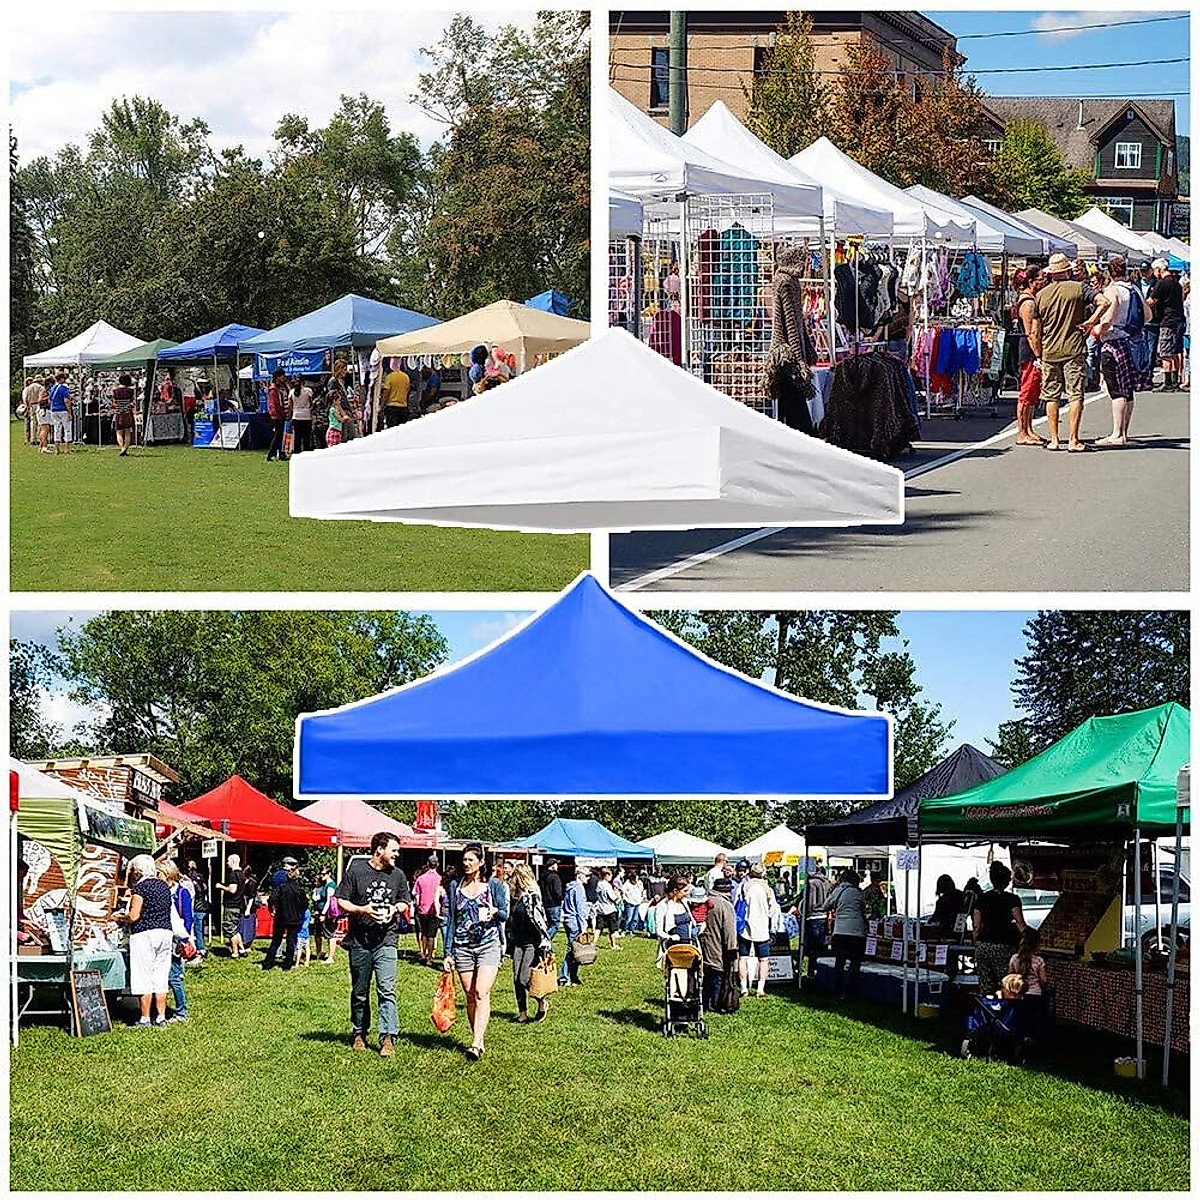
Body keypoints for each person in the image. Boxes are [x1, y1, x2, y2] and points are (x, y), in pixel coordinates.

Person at [336, 832, 414, 1056]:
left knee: (387, 989)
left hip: (386, 939)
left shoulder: (397, 875)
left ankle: (388, 1037)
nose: (397, 854)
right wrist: (363, 910)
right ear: (379, 850)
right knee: (360, 991)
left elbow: (404, 901)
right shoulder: (356, 871)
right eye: (394, 850)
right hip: (360, 941)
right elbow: (341, 900)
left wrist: (394, 909)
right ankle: (359, 1033)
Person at [1030, 252, 1110, 452]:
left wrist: (1038, 353)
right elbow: (1104, 302)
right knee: (1075, 395)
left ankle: (1054, 439)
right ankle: (1073, 439)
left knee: (1051, 395)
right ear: (1067, 270)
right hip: (1073, 349)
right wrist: (1091, 321)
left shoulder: (1041, 295)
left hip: (1049, 350)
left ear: (1051, 273)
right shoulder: (1079, 288)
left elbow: (1035, 329)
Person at [440, 843, 510, 1060]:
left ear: (481, 862)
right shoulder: (455, 885)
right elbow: (451, 920)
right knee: (470, 995)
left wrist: (495, 911)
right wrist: (448, 953)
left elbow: (505, 914)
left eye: (471, 859)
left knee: (481, 991)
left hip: (488, 944)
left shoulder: (494, 885)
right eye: (464, 859)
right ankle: (477, 1037)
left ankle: (476, 1043)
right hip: (462, 946)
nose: (466, 863)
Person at [1091, 256, 1147, 447]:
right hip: (1131, 341)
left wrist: (1097, 329)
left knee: (1116, 389)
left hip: (1113, 342)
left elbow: (1108, 318)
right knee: (1128, 390)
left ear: (1110, 272)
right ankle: (1124, 432)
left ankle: (1117, 434)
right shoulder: (1135, 289)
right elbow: (1148, 315)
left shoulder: (1112, 290)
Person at [125, 854, 173, 1026]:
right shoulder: (164, 886)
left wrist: (121, 917)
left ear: (137, 872)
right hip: (165, 932)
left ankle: (145, 1018)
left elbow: (134, 915)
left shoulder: (140, 888)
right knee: (160, 976)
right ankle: (161, 1016)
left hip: (144, 933)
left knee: (142, 975)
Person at [971, 860, 1026, 998]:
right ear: (1007, 881)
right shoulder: (1012, 899)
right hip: (1004, 945)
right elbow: (1020, 922)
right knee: (1006, 982)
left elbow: (976, 925)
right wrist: (1026, 939)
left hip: (983, 945)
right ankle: (1005, 1007)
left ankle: (987, 1007)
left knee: (986, 984)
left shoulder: (981, 899)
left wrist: (977, 942)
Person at [507, 862, 553, 1024]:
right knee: (516, 979)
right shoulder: (514, 897)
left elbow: (540, 921)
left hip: (531, 943)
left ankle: (541, 1001)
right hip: (517, 942)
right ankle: (522, 1012)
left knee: (524, 978)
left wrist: (545, 941)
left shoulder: (532, 896)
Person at [1012, 267, 1047, 446]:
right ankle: (1022, 432)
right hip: (1028, 351)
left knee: (1033, 392)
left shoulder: (1033, 299)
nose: (1044, 281)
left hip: (1033, 350)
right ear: (1032, 281)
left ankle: (1029, 429)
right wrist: (1038, 355)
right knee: (1026, 392)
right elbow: (1030, 333)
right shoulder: (1028, 303)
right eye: (1041, 278)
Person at [156, 860, 194, 1023]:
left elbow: (188, 917)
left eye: (159, 873)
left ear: (167, 874)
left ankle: (181, 1012)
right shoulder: (159, 891)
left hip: (176, 938)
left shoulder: (182, 892)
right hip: (161, 936)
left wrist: (183, 940)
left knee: (174, 976)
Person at [825, 868, 869, 1000]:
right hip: (857, 932)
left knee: (840, 962)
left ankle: (838, 991)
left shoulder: (837, 891)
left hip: (840, 931)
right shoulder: (859, 893)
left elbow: (825, 906)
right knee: (855, 963)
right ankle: (852, 990)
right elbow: (863, 911)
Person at [737, 863, 777, 998]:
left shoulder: (744, 887)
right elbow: (773, 910)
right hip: (762, 927)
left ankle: (743, 988)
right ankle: (760, 989)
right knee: (763, 960)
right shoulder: (767, 889)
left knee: (742, 958)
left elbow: (737, 903)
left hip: (745, 927)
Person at [700, 876, 739, 1012]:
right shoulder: (725, 905)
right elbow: (729, 930)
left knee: (706, 975)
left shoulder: (704, 901)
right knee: (718, 974)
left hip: (703, 943)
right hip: (718, 946)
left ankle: (703, 1001)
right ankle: (715, 1003)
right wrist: (732, 950)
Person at [263, 856, 309, 971]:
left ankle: (268, 963)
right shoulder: (300, 891)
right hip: (294, 918)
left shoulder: (281, 888)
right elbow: (305, 905)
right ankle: (288, 964)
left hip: (281, 917)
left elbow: (271, 899)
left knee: (276, 941)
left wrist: (274, 908)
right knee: (291, 941)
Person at [1148, 259, 1186, 392]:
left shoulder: (1162, 283)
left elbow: (1151, 301)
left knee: (1165, 352)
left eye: (1155, 270)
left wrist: (1141, 306)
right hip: (1178, 319)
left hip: (1168, 320)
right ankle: (1175, 381)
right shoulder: (1176, 283)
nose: (1154, 274)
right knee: (1175, 351)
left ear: (1159, 269)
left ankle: (1168, 381)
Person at [1008, 925, 1050, 1040]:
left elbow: (1010, 977)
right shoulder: (1039, 961)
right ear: (1036, 944)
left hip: (1018, 996)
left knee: (1019, 1021)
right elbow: (1044, 981)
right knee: (1033, 1023)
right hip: (1035, 996)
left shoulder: (1014, 959)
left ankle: (1019, 1040)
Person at [654, 874, 697, 967]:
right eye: (684, 891)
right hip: (673, 948)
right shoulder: (663, 906)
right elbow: (659, 930)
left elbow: (692, 921)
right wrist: (670, 937)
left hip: (689, 946)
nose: (686, 894)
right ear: (675, 891)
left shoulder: (685, 903)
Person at [558, 864, 590, 987]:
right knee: (573, 951)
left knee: (575, 950)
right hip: (575, 922)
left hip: (568, 920)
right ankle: (564, 977)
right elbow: (580, 909)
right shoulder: (579, 888)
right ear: (580, 875)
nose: (588, 878)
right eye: (586, 875)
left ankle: (573, 976)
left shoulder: (570, 887)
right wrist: (583, 926)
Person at [411, 856, 444, 966]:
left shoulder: (421, 879)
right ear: (437, 864)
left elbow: (416, 895)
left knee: (424, 933)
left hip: (422, 910)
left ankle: (423, 954)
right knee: (432, 936)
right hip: (434, 911)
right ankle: (429, 958)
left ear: (428, 864)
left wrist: (418, 906)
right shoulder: (440, 879)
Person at [803, 861, 833, 979]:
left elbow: (809, 902)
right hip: (824, 915)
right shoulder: (826, 882)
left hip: (813, 916)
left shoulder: (811, 883)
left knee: (812, 946)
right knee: (822, 945)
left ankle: (811, 970)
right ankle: (822, 971)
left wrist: (805, 913)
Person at [216, 853, 247, 957]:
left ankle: (235, 952)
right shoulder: (242, 874)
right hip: (238, 904)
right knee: (235, 928)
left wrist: (221, 887)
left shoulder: (233, 874)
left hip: (231, 905)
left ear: (233, 862)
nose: (227, 863)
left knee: (229, 928)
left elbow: (232, 889)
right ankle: (242, 949)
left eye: (228, 861)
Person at [310, 865, 336, 964]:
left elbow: (329, 901)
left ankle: (331, 957)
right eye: (321, 874)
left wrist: (323, 914)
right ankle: (319, 953)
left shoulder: (331, 885)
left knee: (329, 934)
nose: (322, 876)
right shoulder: (324, 885)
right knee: (317, 933)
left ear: (329, 874)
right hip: (319, 912)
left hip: (328, 914)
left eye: (324, 874)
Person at [187, 860, 210, 960]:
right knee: (199, 929)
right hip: (203, 906)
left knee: (197, 930)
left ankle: (200, 950)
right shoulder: (201, 877)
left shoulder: (191, 879)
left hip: (197, 907)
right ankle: (200, 947)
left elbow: (198, 891)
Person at [265, 368, 289, 462]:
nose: (284, 378)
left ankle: (281, 453)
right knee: (278, 435)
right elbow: (274, 404)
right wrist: (279, 414)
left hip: (283, 414)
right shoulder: (273, 389)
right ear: (277, 377)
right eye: (282, 376)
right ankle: (271, 453)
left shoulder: (282, 387)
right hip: (278, 416)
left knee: (281, 435)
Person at [595, 867, 621, 950]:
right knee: (612, 929)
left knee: (598, 928)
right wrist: (618, 895)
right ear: (606, 875)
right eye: (610, 875)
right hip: (609, 909)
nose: (611, 877)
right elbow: (613, 898)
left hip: (600, 909)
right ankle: (613, 945)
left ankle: (593, 943)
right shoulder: (607, 886)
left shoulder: (598, 884)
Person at [47, 370, 73, 454]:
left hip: (54, 410)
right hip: (63, 410)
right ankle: (67, 449)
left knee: (57, 429)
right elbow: (66, 401)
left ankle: (57, 449)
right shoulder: (64, 388)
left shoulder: (52, 388)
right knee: (67, 429)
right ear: (61, 378)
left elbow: (49, 400)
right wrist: (69, 412)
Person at [541, 858, 564, 946]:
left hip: (545, 903)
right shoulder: (555, 877)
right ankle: (545, 939)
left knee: (549, 924)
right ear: (553, 865)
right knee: (555, 925)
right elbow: (557, 892)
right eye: (556, 864)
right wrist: (561, 899)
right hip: (554, 904)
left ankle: (547, 944)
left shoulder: (542, 876)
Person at [290, 376, 314, 455]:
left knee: (297, 437)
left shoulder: (291, 392)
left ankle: (297, 452)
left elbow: (290, 405)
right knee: (306, 436)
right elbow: (311, 402)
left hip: (296, 415)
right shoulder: (308, 391)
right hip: (306, 415)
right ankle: (307, 452)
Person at [382, 363, 411, 427]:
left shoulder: (389, 377)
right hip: (403, 407)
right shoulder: (406, 377)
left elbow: (386, 392)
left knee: (392, 429)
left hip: (392, 407)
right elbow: (408, 390)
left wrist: (382, 404)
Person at [620, 868, 645, 935]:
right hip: (630, 903)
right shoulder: (627, 884)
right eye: (635, 879)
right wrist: (626, 900)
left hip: (637, 903)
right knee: (629, 918)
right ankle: (624, 930)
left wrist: (641, 898)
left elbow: (642, 891)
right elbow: (623, 893)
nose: (637, 880)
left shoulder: (639, 883)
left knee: (635, 918)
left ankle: (631, 930)